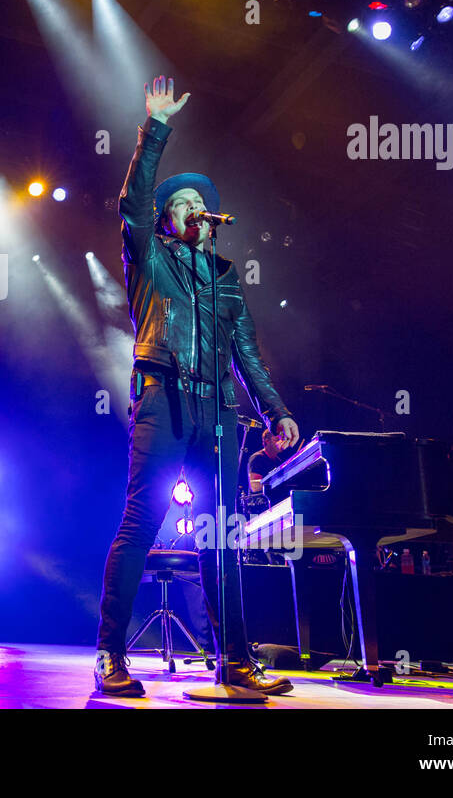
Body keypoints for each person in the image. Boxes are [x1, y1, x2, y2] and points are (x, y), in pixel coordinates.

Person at [95, 76, 301, 697]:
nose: (190, 208)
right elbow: (131, 203)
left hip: (218, 411)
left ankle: (234, 660)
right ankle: (109, 653)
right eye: (178, 203)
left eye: (196, 203)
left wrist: (275, 410)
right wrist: (154, 130)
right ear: (167, 220)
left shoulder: (226, 277)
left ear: (211, 218)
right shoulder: (149, 257)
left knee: (220, 534)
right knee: (142, 520)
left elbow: (247, 354)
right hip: (161, 395)